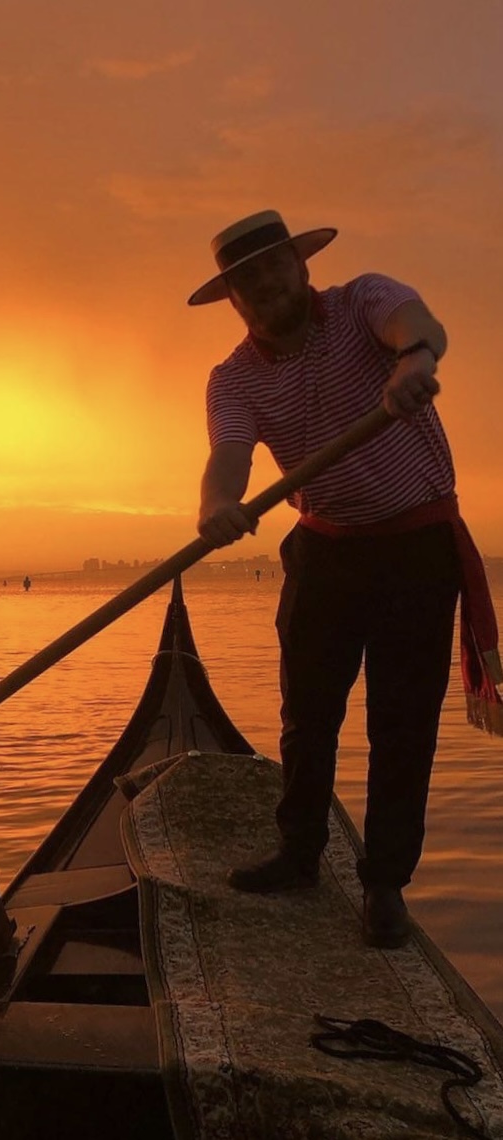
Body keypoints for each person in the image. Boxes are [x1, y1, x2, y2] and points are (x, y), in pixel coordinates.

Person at [189, 209, 500, 949]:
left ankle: (385, 883)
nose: (263, 285)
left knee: (402, 723)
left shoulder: (365, 301)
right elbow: (229, 454)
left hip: (415, 550)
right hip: (325, 552)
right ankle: (299, 855)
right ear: (233, 297)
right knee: (308, 714)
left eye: (272, 267)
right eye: (246, 280)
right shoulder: (232, 378)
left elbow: (419, 326)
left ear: (300, 266)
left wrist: (415, 362)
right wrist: (217, 506)